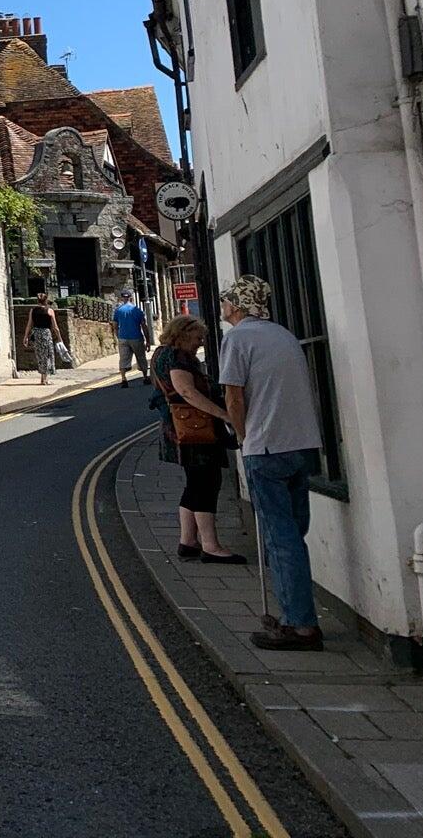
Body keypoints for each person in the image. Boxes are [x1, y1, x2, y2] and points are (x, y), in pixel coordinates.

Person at [218, 275, 326, 652]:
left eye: (227, 302)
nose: (223, 309)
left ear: (237, 306)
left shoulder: (236, 339)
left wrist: (244, 438)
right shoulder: (284, 335)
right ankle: (298, 614)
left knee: (280, 540)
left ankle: (300, 626)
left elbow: (233, 397)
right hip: (303, 445)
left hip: (266, 449)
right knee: (294, 534)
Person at [151, 314, 243, 563]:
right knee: (206, 482)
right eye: (197, 337)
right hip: (195, 430)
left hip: (182, 430)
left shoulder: (163, 354)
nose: (201, 342)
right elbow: (187, 392)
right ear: (181, 335)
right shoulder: (177, 357)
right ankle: (211, 546)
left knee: (195, 482)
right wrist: (225, 415)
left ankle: (188, 542)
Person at [114, 289, 153, 388]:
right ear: (131, 298)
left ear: (122, 298)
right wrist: (148, 341)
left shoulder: (118, 311)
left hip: (123, 338)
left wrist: (118, 337)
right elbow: (144, 326)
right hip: (136, 337)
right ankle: (145, 377)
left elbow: (115, 326)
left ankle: (123, 379)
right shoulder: (137, 310)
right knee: (141, 358)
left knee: (123, 359)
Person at [21, 290, 60, 386]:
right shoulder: (50, 311)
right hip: (46, 333)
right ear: (46, 301)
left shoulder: (32, 310)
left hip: (37, 334)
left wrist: (25, 337)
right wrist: (59, 338)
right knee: (47, 355)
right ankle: (45, 379)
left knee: (40, 356)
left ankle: (42, 378)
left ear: (38, 301)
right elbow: (55, 327)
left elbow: (29, 325)